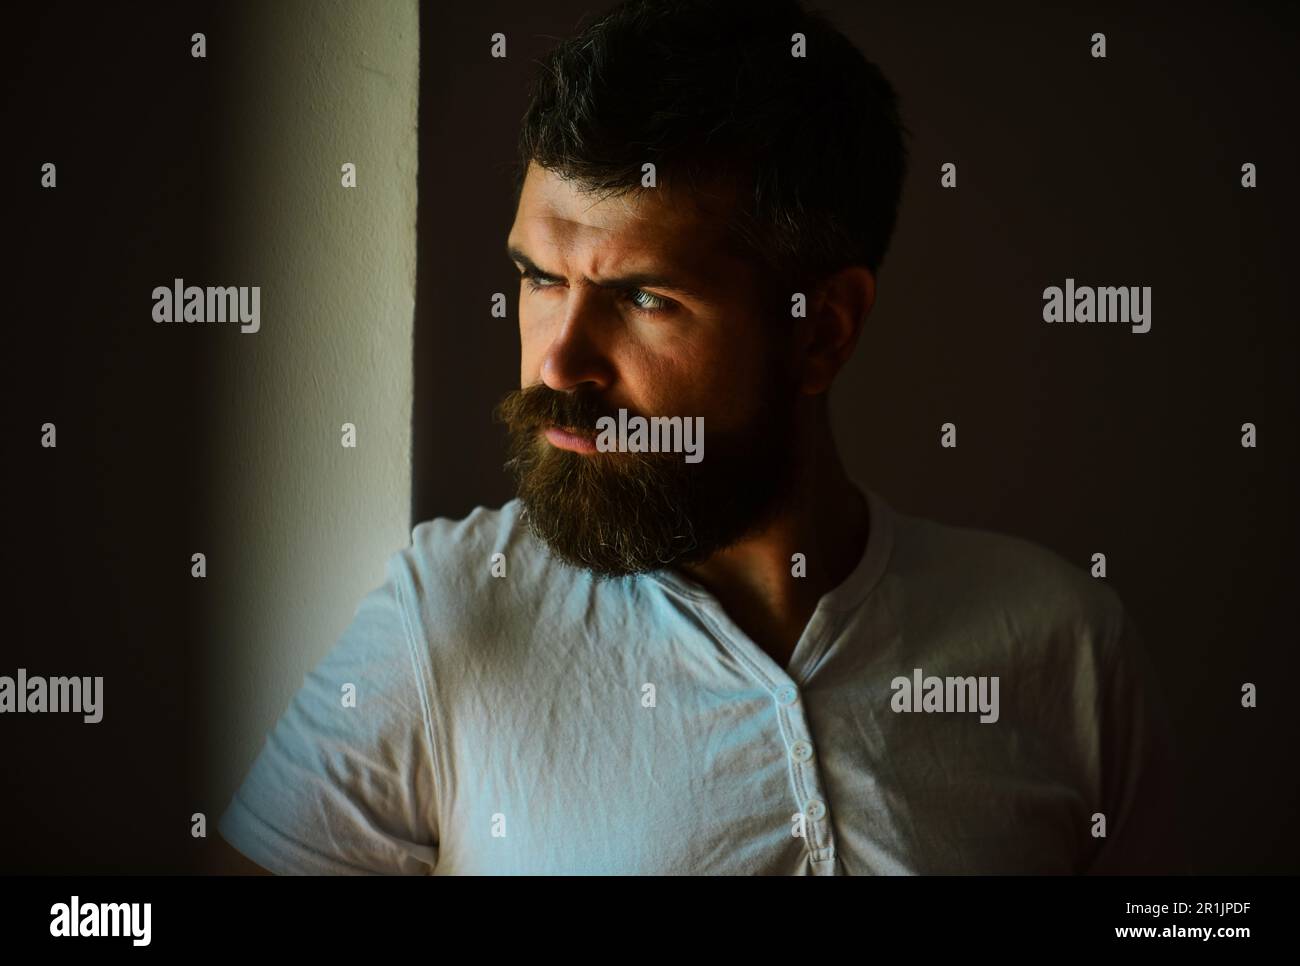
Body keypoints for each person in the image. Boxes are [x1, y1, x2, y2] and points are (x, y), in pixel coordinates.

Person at [211, 0, 1185, 875]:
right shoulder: (450, 618)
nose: (559, 365)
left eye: (642, 297)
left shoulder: (1059, 646)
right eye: (540, 279)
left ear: (821, 330)